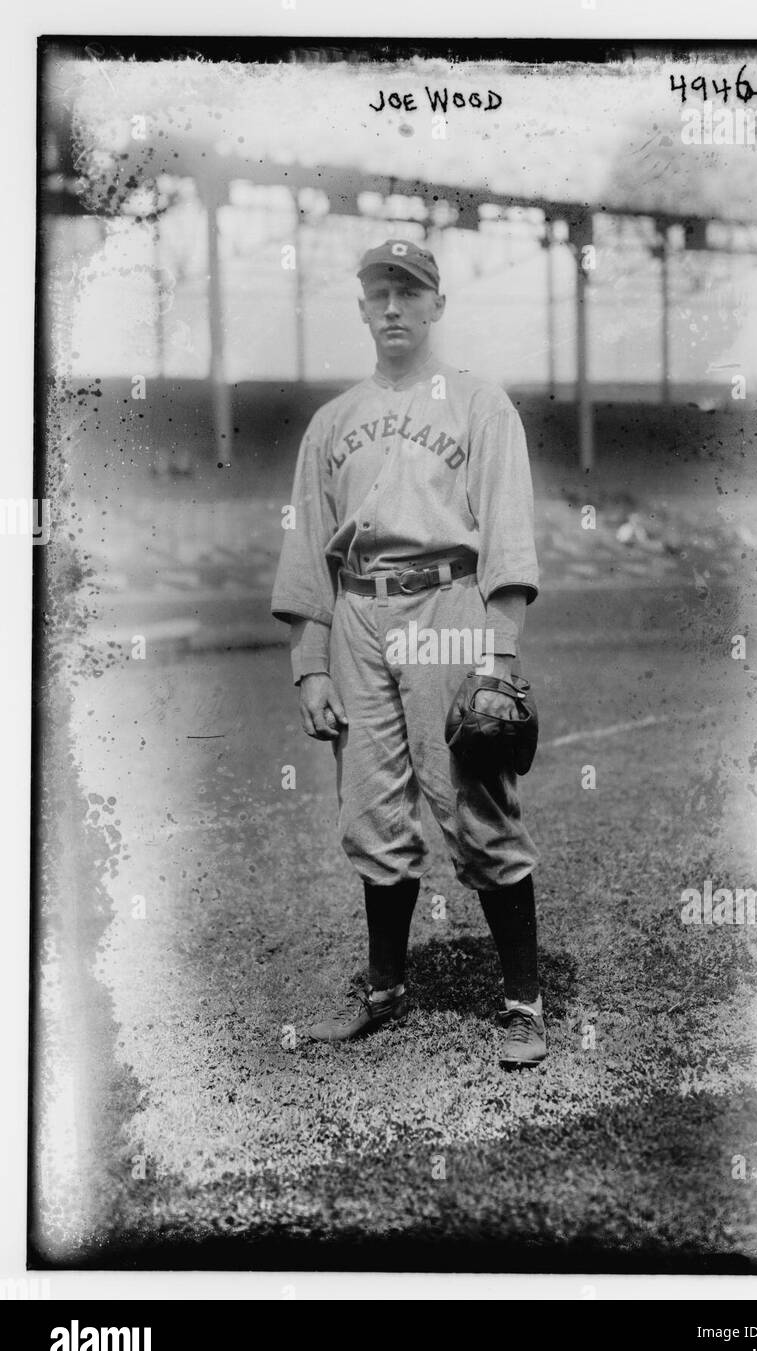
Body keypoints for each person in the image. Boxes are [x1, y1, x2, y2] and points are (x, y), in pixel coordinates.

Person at [271, 238, 546, 1067]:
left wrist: (498, 655)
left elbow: (506, 534)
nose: (392, 307)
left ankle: (524, 1003)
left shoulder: (478, 403)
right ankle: (384, 989)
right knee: (371, 811)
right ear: (361, 307)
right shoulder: (332, 422)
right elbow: (309, 548)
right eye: (378, 292)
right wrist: (309, 663)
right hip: (357, 610)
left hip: (448, 602)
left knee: (474, 803)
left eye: (408, 292)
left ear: (436, 306)